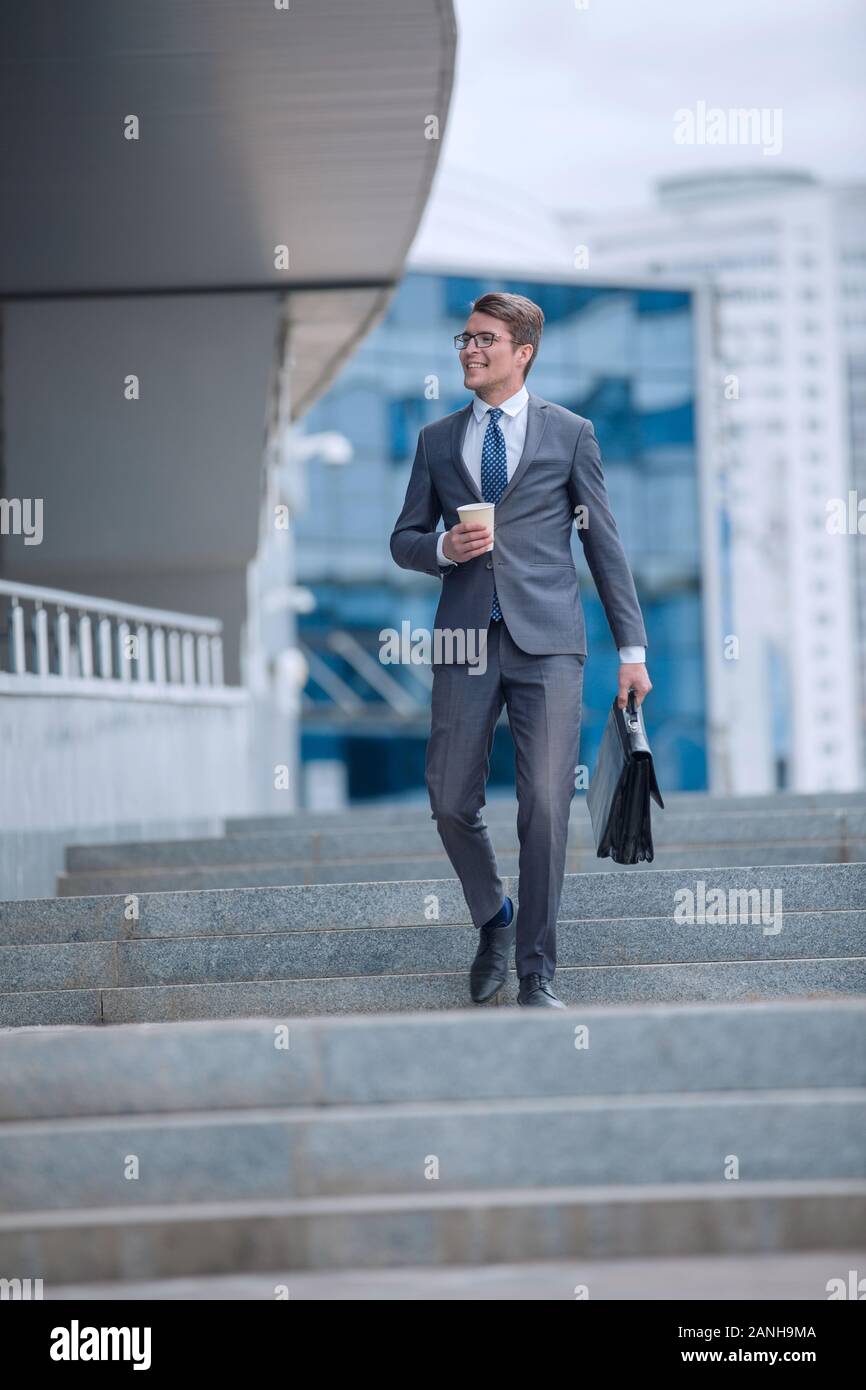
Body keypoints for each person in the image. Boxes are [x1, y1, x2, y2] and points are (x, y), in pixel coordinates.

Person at [389, 292, 651, 1007]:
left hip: (549, 645)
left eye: (484, 340)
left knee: (542, 801)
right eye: (464, 339)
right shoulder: (438, 440)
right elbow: (403, 538)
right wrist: (442, 546)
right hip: (466, 638)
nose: (470, 351)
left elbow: (603, 544)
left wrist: (633, 649)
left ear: (522, 351)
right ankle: (494, 918)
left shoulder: (570, 433)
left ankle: (537, 970)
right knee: (448, 800)